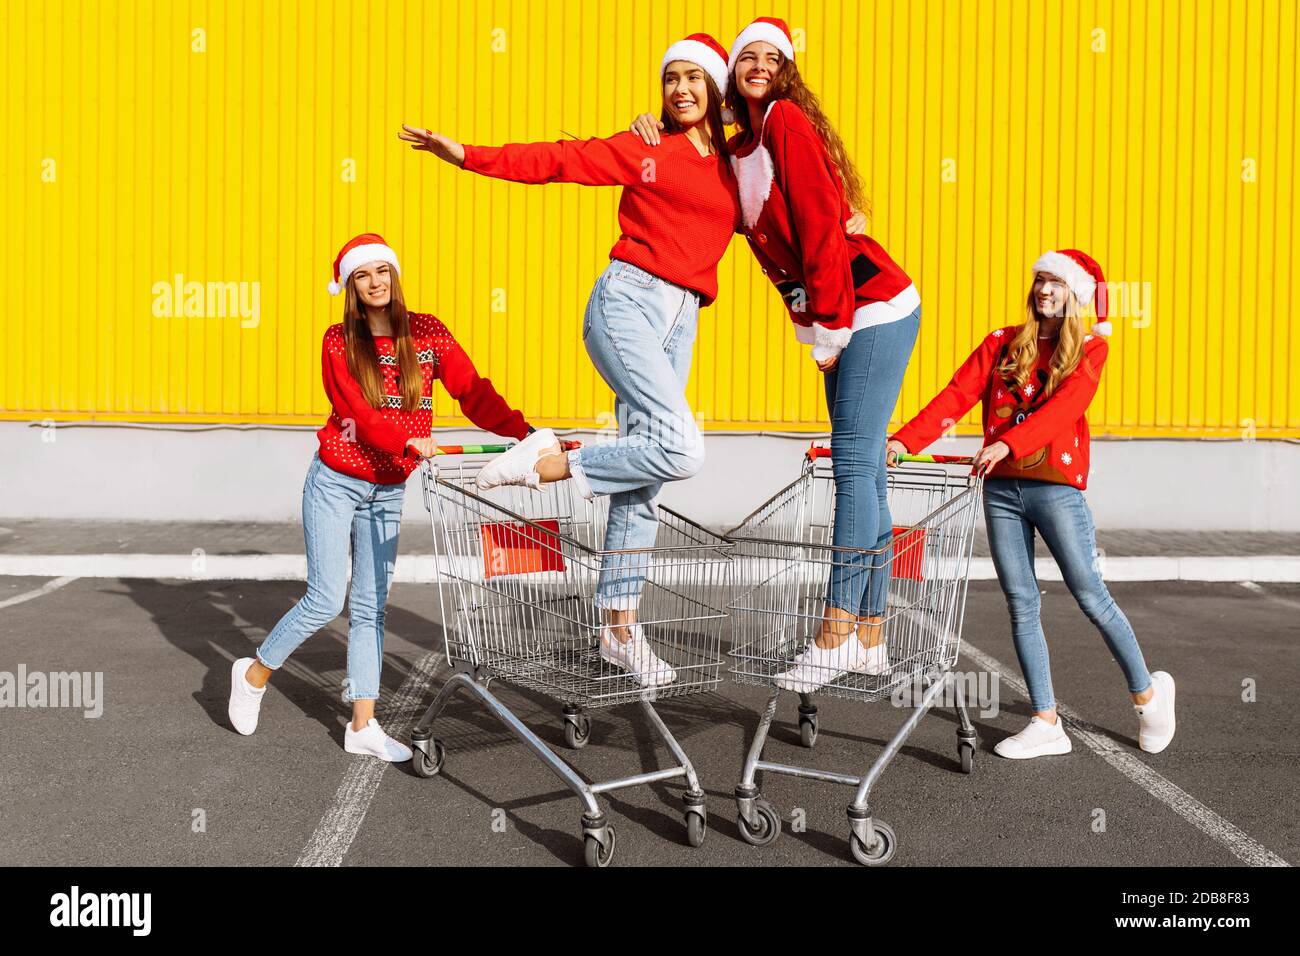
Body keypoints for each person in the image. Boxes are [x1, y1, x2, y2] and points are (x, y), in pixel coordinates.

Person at [398, 35, 743, 686]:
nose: (680, 90)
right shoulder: (646, 146)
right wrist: (466, 155)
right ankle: (550, 463)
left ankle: (619, 628)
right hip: (628, 303)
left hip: (683, 320)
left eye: (695, 78)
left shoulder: (734, 166)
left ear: (716, 88)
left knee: (644, 480)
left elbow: (782, 220)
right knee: (684, 448)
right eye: (670, 78)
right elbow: (561, 160)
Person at [633, 18, 921, 692]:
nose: (759, 65)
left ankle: (834, 631)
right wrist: (651, 128)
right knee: (867, 474)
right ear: (731, 73)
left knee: (851, 466)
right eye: (747, 58)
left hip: (871, 304)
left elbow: (822, 227)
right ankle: (871, 638)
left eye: (771, 57)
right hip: (839, 311)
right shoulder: (740, 147)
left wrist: (828, 323)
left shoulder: (787, 121)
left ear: (786, 70)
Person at [227, 233, 532, 760]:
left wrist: (522, 432)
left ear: (394, 276)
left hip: (389, 488)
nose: (375, 283)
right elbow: (358, 415)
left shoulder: (427, 333)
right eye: (362, 275)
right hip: (337, 479)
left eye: (382, 272)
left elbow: (472, 389)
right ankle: (253, 674)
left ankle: (361, 726)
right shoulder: (337, 340)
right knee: (326, 598)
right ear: (349, 284)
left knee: (370, 607)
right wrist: (405, 438)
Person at [887, 249, 1176, 757]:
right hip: (1001, 489)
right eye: (1040, 280)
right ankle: (1046, 721)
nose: (1045, 290)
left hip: (1055, 489)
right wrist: (907, 440)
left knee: (1090, 594)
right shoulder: (1002, 343)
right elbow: (955, 395)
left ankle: (1148, 696)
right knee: (1021, 602)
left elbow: (1068, 406)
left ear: (1074, 295)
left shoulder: (1088, 349)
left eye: (1056, 283)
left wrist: (1008, 443)